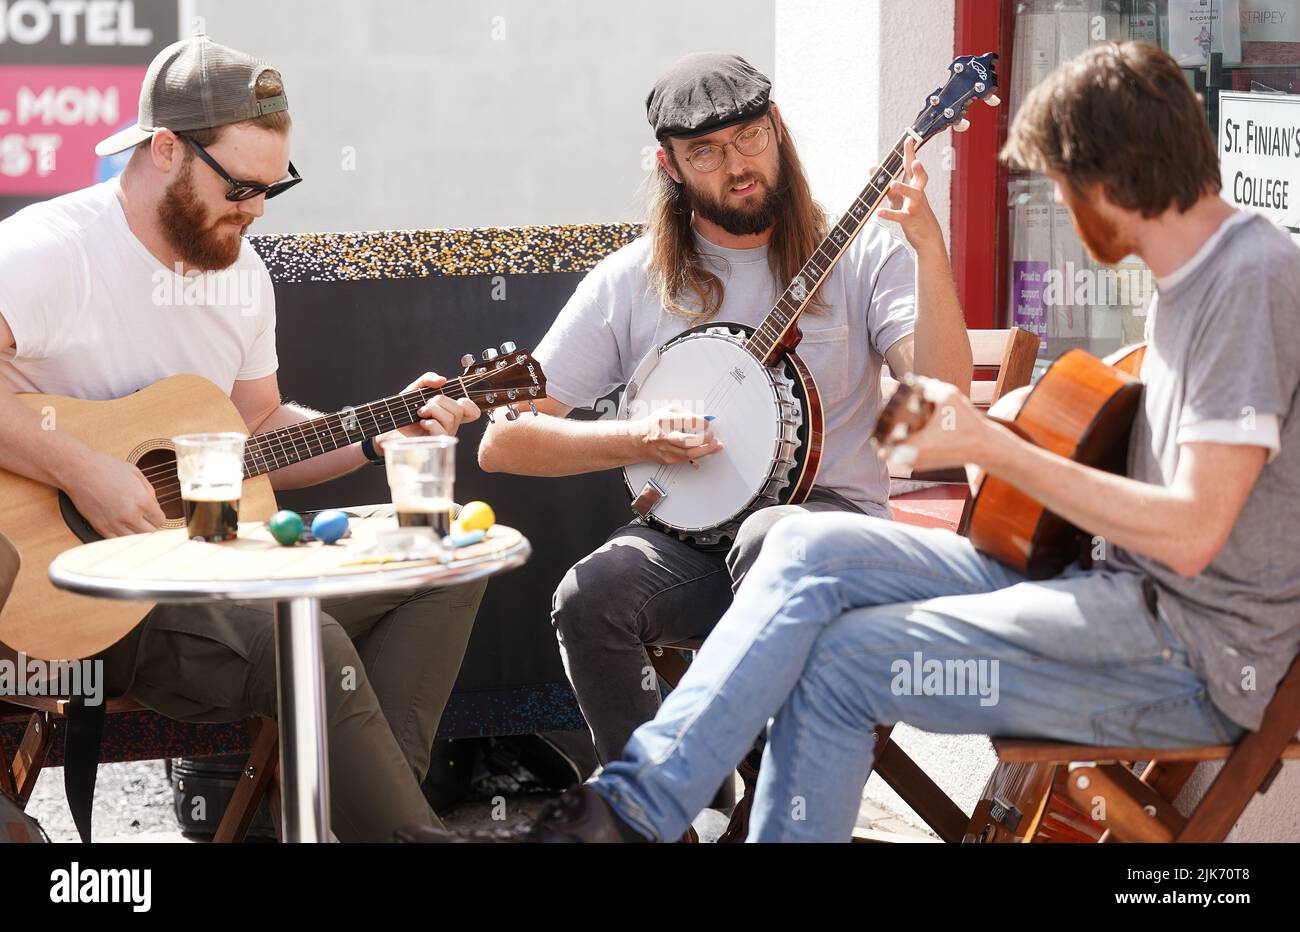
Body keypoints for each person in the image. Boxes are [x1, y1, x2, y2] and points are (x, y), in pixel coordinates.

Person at [407, 41, 1300, 843]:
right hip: (1107, 586)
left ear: (1117, 174)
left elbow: (1189, 531)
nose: (1061, 212)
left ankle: (636, 809)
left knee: (829, 645)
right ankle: (640, 803)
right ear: (671, 168)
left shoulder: (1248, 275)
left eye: (1062, 188)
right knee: (794, 546)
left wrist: (994, 444)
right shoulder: (1190, 285)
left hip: (1182, 641)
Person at [0, 36, 486, 842]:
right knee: (305, 634)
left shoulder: (239, 272)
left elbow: (258, 430)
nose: (257, 208)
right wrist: (84, 470)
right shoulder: (50, 250)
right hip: (79, 595)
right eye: (242, 185)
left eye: (274, 188)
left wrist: (377, 430)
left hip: (209, 553)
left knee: (440, 554)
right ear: (165, 149)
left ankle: (343, 818)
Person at [476, 52, 972, 765]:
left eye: (749, 137)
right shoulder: (632, 279)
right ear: (669, 166)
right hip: (693, 546)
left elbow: (944, 399)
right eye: (705, 151)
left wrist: (927, 245)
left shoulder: (865, 254)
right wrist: (636, 437)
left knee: (772, 535)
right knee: (592, 594)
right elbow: (504, 441)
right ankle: (665, 809)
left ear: (778, 130)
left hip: (830, 540)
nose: (736, 164)